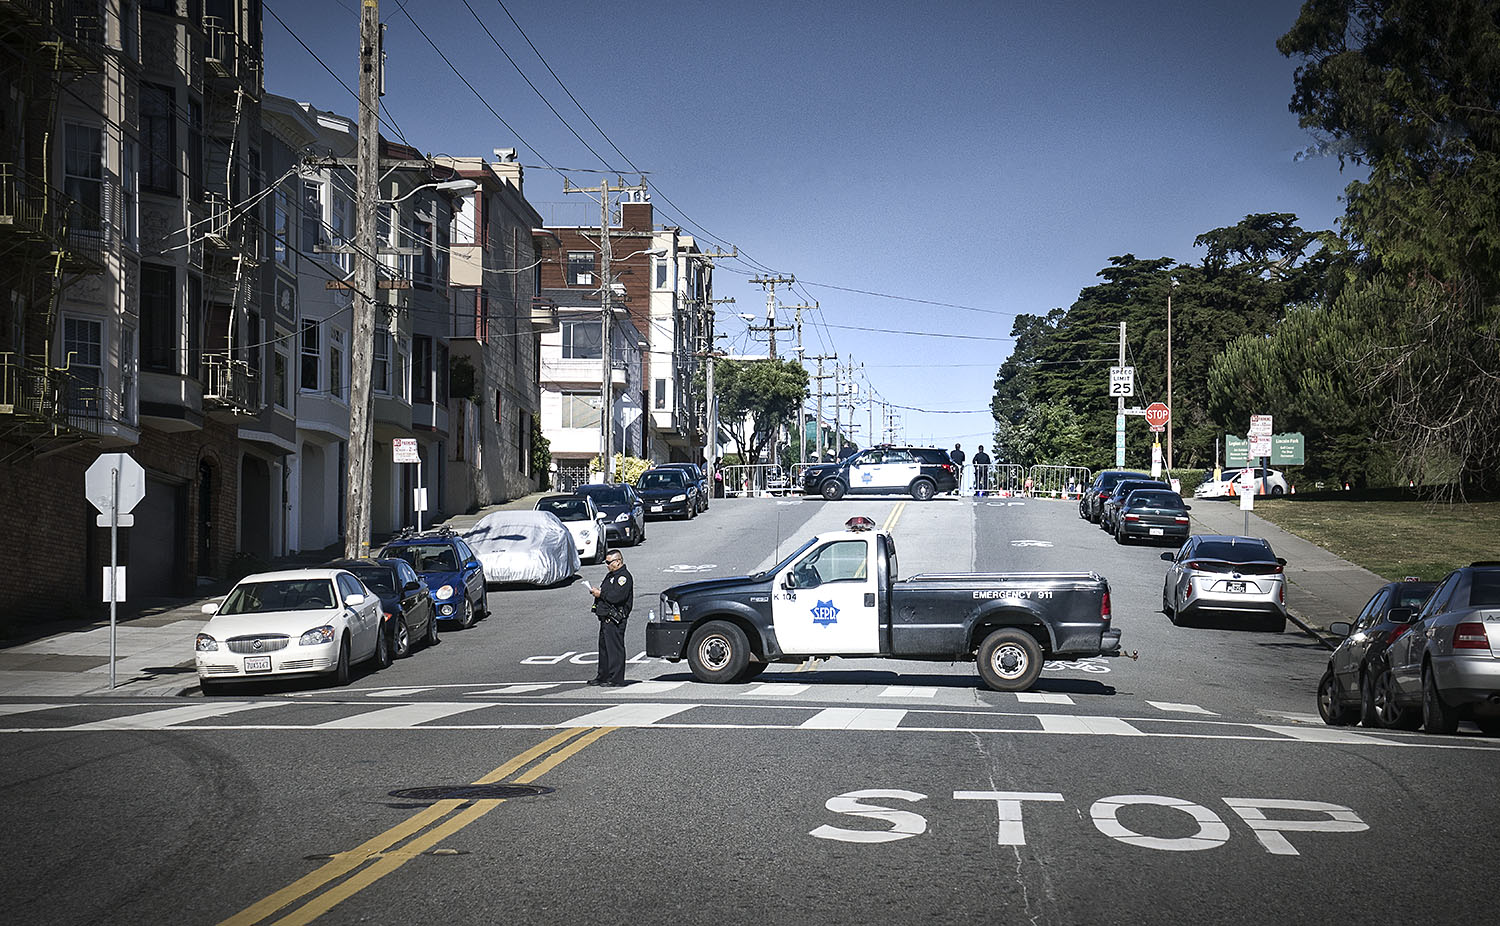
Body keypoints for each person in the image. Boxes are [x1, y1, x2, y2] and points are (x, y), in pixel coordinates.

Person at [588, 550, 634, 687]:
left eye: (609, 562)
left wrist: (600, 594)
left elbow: (616, 597)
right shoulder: (611, 575)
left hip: (615, 618)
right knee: (604, 649)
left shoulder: (623, 577)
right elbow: (607, 591)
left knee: (615, 649)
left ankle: (616, 679)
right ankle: (603, 676)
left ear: (618, 561)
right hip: (605, 617)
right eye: (606, 562)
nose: (607, 565)